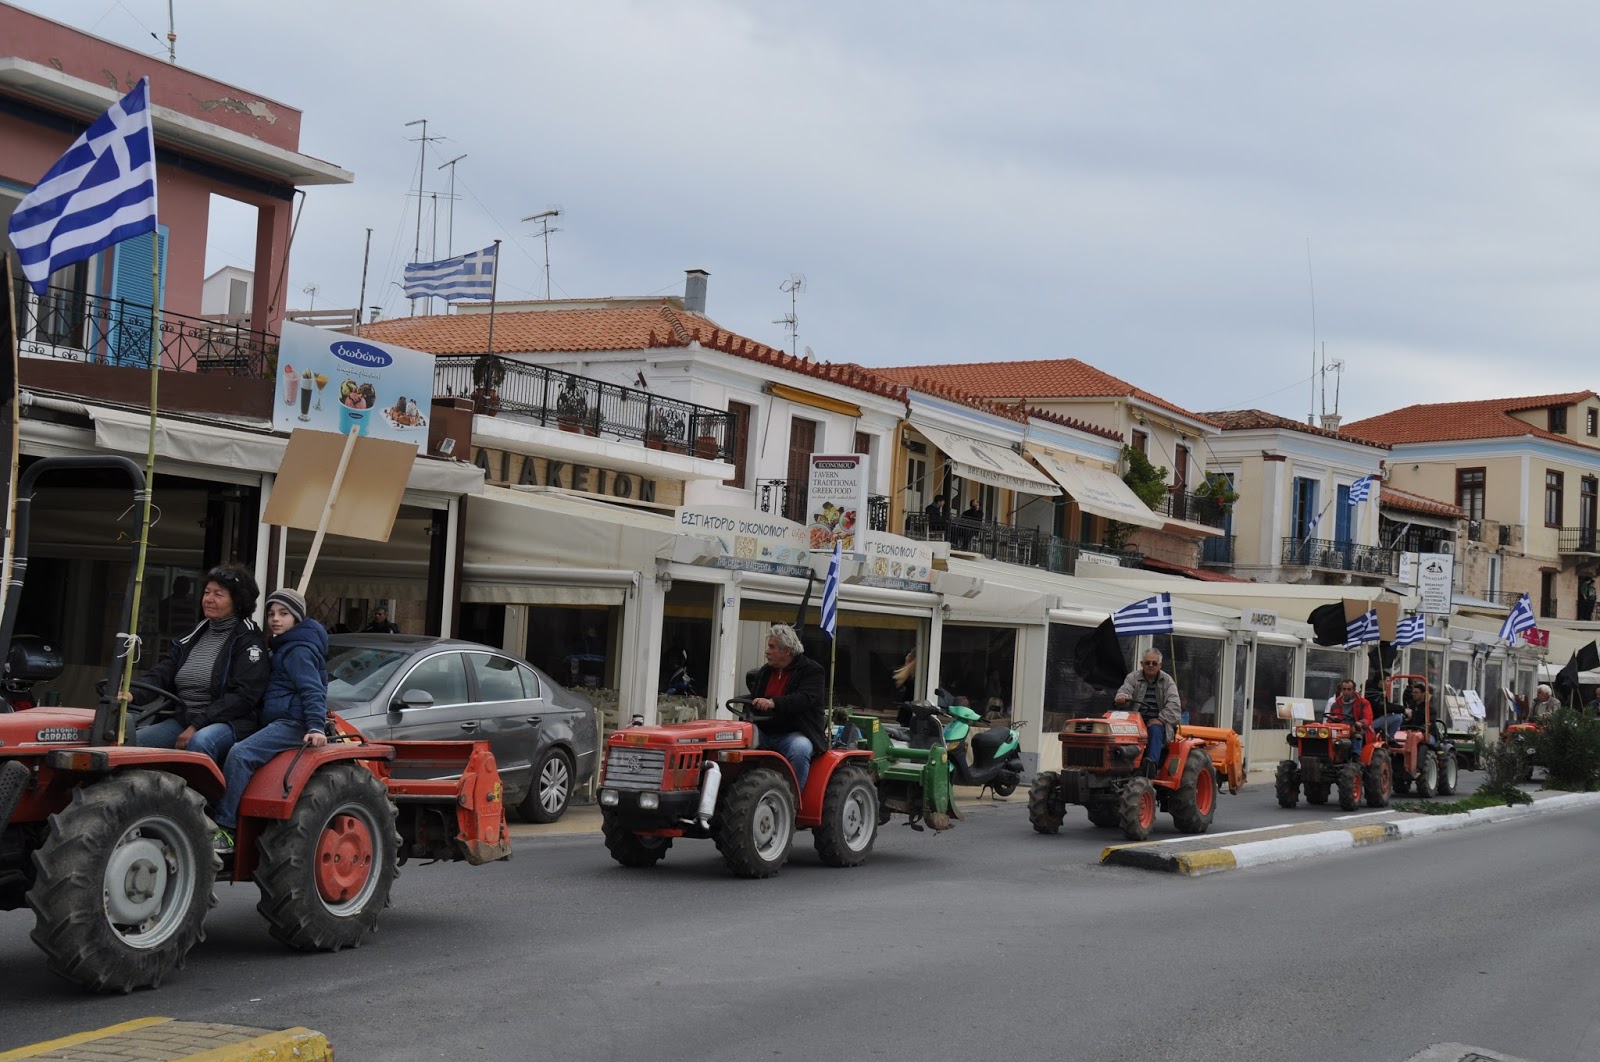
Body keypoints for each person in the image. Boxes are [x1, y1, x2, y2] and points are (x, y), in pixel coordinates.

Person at [209, 588, 329, 853]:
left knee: (241, 754)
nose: (275, 619)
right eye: (271, 613)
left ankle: (226, 828)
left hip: (293, 724)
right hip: (277, 720)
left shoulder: (298, 650)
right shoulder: (282, 646)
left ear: (297, 618)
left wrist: (315, 726)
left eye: (284, 614)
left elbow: (313, 689)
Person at [134, 563, 269, 765]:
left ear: (238, 601)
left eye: (218, 594)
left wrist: (197, 725)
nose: (209, 599)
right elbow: (162, 673)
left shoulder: (249, 642)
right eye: (207, 592)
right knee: (134, 741)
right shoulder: (191, 637)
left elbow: (243, 696)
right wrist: (132, 693)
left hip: (228, 723)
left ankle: (201, 788)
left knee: (201, 742)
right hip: (184, 720)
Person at [748, 624, 826, 789]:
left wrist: (773, 703)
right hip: (765, 732)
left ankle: (791, 797)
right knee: (735, 739)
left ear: (787, 650)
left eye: (772, 647)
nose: (767, 652)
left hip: (795, 733)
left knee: (800, 748)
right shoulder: (765, 672)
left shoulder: (812, 671)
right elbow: (754, 698)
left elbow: (804, 699)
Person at [1114, 649, 1182, 775]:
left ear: (1160, 665)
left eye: (1154, 663)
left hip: (1159, 724)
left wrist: (1160, 719)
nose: (1151, 666)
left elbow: (1174, 706)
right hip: (1135, 723)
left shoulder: (1167, 681)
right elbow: (1125, 690)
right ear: (1142, 664)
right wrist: (1122, 697)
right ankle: (1119, 763)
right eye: (1147, 663)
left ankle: (1150, 767)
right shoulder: (1133, 677)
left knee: (1154, 729)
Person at [1325, 679, 1374, 760]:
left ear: (1353, 690)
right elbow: (1329, 720)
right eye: (1344, 689)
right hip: (1340, 728)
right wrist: (1332, 719)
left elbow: (1368, 718)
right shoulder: (1335, 704)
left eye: (1349, 689)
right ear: (1341, 690)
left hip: (1356, 727)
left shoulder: (1363, 703)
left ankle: (1356, 755)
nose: (1346, 692)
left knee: (1357, 732)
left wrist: (1360, 723)